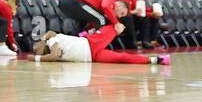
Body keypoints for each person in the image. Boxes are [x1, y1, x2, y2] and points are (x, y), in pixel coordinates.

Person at [33, 30, 169, 66]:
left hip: (91, 43)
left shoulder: (52, 41)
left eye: (36, 48)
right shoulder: (51, 52)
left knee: (112, 29)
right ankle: (156, 60)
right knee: (121, 57)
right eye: (35, 51)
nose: (36, 50)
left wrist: (34, 58)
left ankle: (118, 22)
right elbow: (52, 56)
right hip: (92, 56)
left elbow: (50, 33)